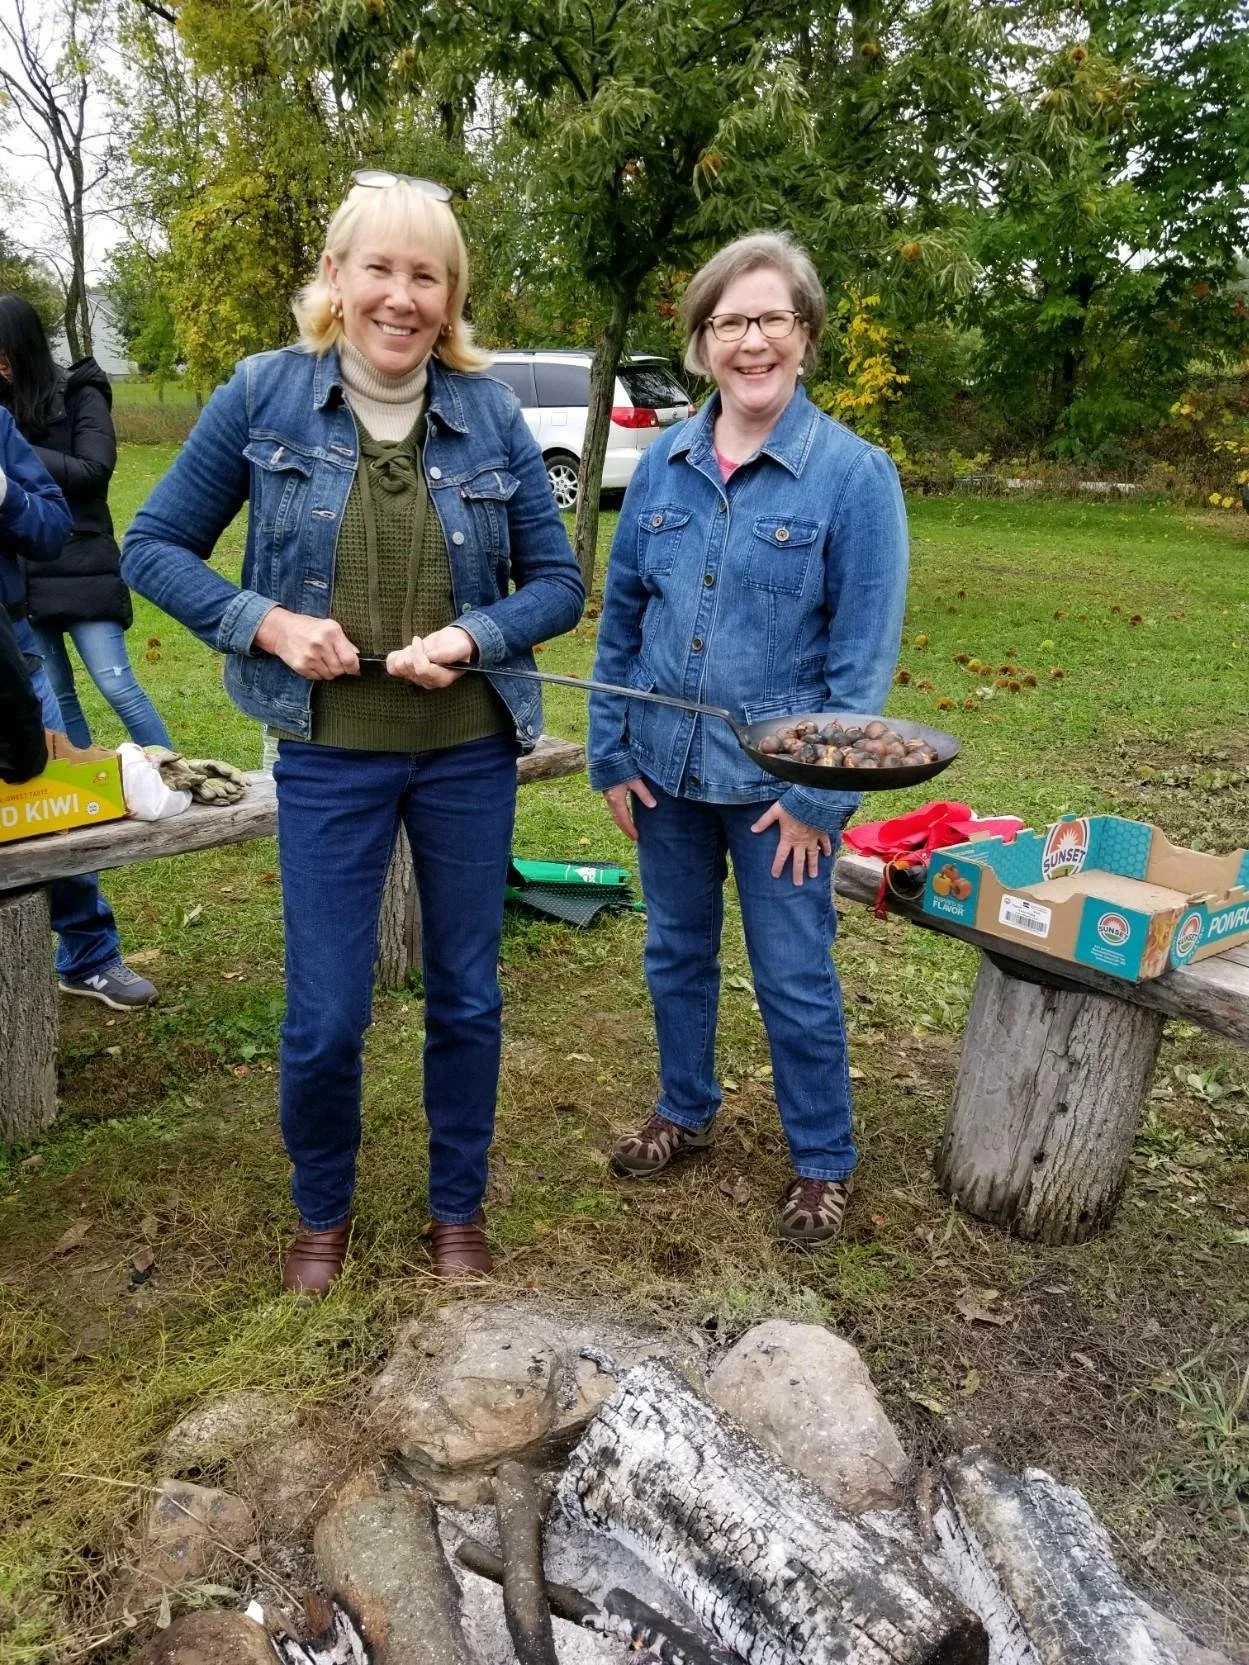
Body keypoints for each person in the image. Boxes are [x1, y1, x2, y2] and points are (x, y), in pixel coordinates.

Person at [123, 173, 585, 1293]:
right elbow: (151, 548)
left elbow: (560, 583)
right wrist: (269, 624)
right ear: (336, 277)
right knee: (327, 1013)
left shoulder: (492, 416)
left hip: (466, 751)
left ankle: (456, 1212)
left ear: (450, 296)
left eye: (426, 275)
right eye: (378, 266)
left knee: (466, 994)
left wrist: (473, 639)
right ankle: (320, 1213)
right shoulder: (262, 397)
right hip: (328, 751)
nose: (401, 295)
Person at [587, 232, 909, 1246]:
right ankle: (684, 1109)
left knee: (794, 975)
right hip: (664, 777)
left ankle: (822, 1160)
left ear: (805, 338)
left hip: (780, 798)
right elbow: (622, 619)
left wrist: (819, 798)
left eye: (771, 319)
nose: (751, 341)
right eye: (728, 323)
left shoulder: (853, 479)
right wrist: (609, 751)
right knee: (674, 952)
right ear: (701, 344)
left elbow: (861, 662)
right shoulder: (664, 466)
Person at [0, 403, 158, 1008]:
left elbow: (48, 527)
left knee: (51, 796)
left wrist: (2, 490)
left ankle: (89, 954)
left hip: (9, 649)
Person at [0, 296, 172, 750]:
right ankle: (84, 790)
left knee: (117, 686)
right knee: (57, 693)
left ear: (23, 347)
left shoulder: (80, 393)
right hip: (25, 570)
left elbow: (94, 470)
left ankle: (173, 769)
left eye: (2, 353)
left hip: (83, 560)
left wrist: (11, 450)